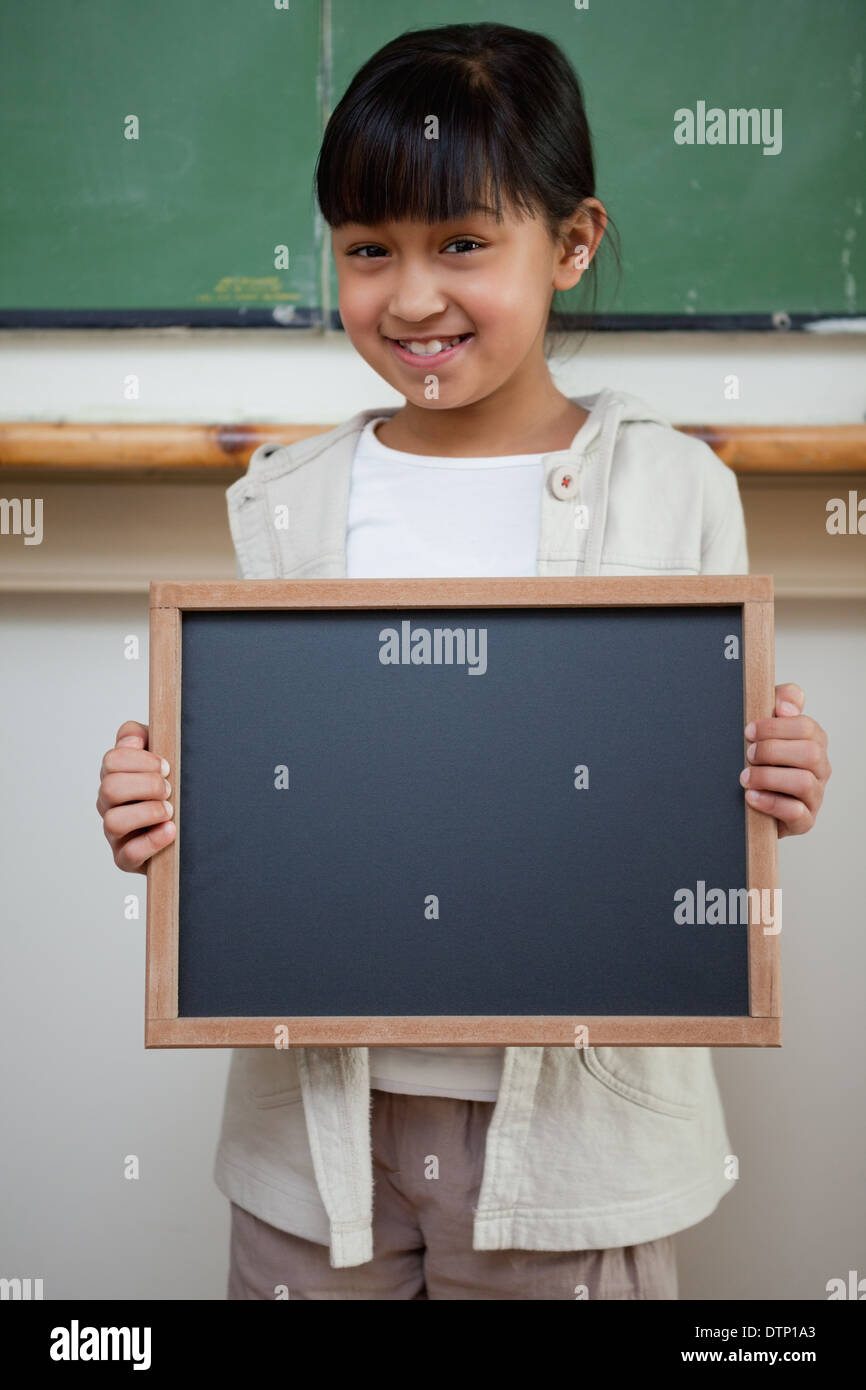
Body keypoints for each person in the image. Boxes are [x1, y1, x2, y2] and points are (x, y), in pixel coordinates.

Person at [95, 22, 831, 1300]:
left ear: (573, 241)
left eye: (462, 245)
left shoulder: (673, 492)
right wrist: (159, 804)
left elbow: (694, 790)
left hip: (573, 1140)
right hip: (316, 1131)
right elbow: (261, 777)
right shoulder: (286, 501)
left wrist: (772, 780)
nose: (410, 298)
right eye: (367, 248)